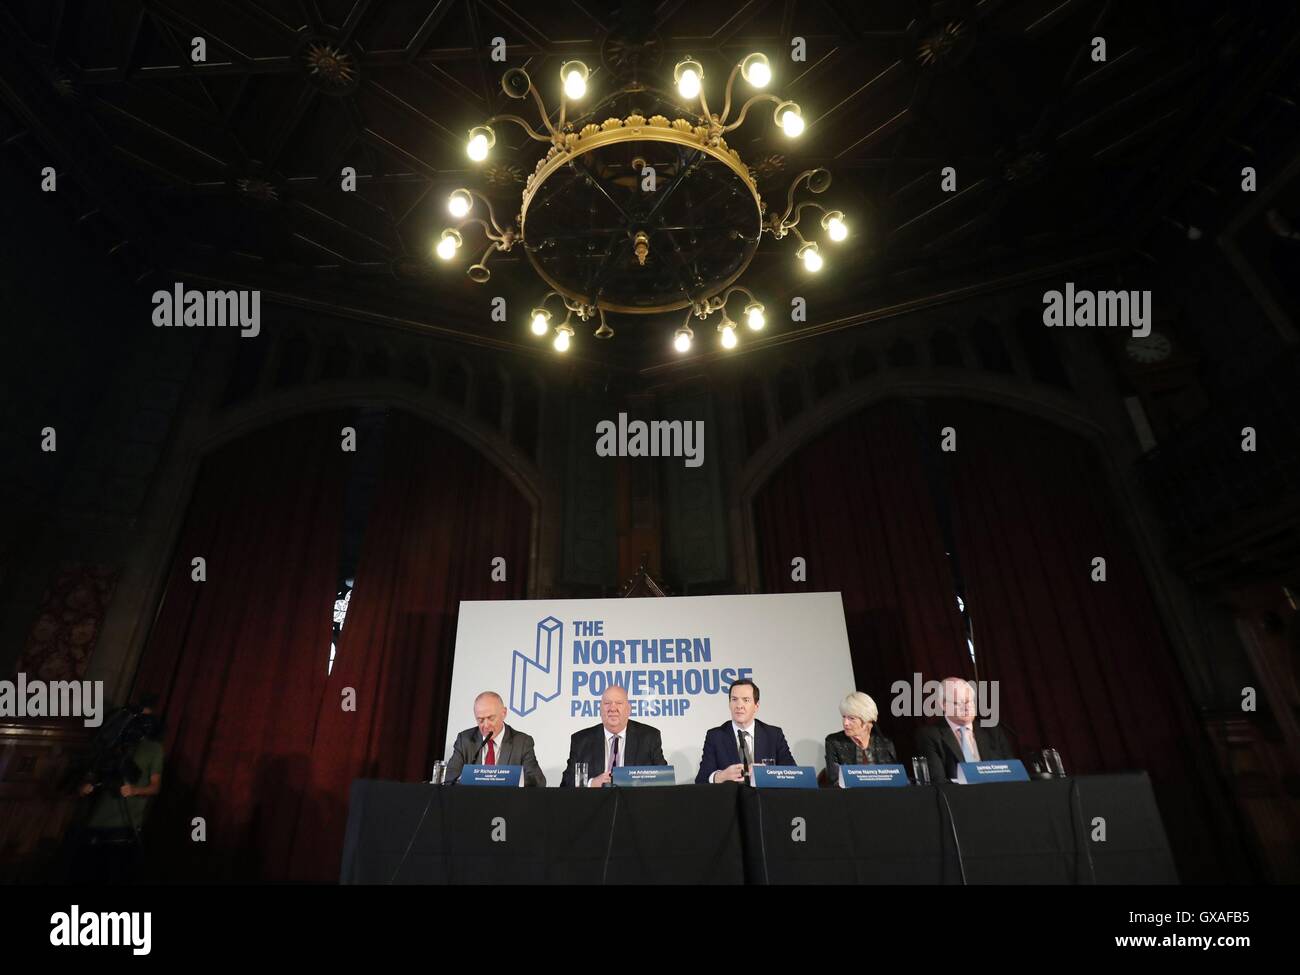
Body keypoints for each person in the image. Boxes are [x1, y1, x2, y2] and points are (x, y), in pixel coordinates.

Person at [72, 694, 164, 883]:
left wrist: (134, 791)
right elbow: (89, 778)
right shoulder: (115, 744)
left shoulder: (153, 749)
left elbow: (155, 787)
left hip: (124, 827)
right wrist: (85, 788)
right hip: (94, 824)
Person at [560, 684, 666, 787]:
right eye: (607, 703)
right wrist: (591, 783)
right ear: (600, 709)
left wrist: (635, 781)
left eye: (619, 703)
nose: (612, 708)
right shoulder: (581, 740)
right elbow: (566, 782)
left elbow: (664, 779)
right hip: (595, 803)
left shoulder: (649, 737)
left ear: (629, 709)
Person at [915, 676, 1016, 782]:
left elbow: (1012, 771)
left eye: (969, 701)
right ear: (943, 705)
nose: (967, 708)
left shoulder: (992, 731)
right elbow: (938, 780)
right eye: (958, 703)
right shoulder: (930, 735)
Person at [697, 678, 795, 783]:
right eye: (734, 699)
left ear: (756, 706)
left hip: (764, 798)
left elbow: (793, 774)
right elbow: (701, 780)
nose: (739, 706)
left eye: (746, 700)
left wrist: (766, 773)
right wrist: (721, 776)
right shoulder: (715, 736)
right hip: (731, 798)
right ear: (729, 704)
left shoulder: (773, 735)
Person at [444, 690, 546, 787]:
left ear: (504, 713)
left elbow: (538, 781)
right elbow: (449, 779)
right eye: (480, 720)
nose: (486, 725)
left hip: (508, 802)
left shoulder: (522, 742)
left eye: (491, 718)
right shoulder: (464, 740)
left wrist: (506, 777)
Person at [824, 691, 897, 786]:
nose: (845, 723)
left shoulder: (884, 743)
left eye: (851, 718)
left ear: (867, 720)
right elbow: (835, 779)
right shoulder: (834, 741)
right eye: (844, 717)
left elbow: (894, 777)